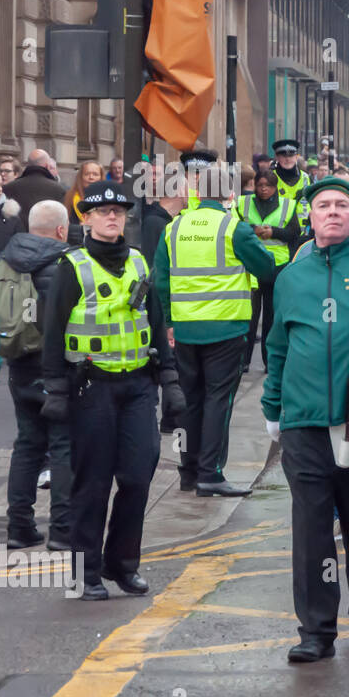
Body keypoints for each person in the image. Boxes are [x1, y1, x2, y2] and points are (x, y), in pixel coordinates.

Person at [262, 177, 349, 663]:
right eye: (324, 205)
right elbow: (277, 345)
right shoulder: (290, 277)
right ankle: (316, 630)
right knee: (312, 529)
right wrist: (272, 407)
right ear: (311, 216)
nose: (334, 212)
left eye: (344, 204)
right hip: (304, 422)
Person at [41, 180, 186, 599]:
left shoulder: (141, 262)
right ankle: (84, 571)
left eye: (119, 213)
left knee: (139, 477)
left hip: (138, 384)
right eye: (103, 213)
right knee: (93, 482)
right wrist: (55, 390)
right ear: (85, 219)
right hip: (91, 387)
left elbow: (157, 326)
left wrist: (171, 381)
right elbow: (52, 333)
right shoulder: (72, 266)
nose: (111, 218)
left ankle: (121, 564)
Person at [155, 150, 275, 496]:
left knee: (189, 401)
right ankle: (211, 472)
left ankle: (188, 471)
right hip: (226, 328)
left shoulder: (173, 228)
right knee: (217, 401)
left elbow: (161, 280)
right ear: (228, 194)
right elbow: (266, 269)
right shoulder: (232, 227)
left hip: (187, 328)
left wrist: (172, 321)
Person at [1, 201, 71, 549]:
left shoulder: (5, 259)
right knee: (62, 445)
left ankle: (19, 528)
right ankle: (61, 530)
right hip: (54, 367)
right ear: (61, 230)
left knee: (27, 446)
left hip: (18, 364)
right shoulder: (65, 261)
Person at [237, 169, 301, 373]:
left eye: (268, 185)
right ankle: (244, 361)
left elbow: (294, 234)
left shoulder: (288, 206)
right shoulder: (242, 203)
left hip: (276, 267)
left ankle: (269, 362)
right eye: (260, 185)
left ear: (275, 188)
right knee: (250, 316)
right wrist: (253, 230)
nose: (264, 189)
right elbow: (234, 226)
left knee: (271, 319)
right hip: (252, 264)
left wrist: (273, 232)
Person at [6, 150, 64, 227]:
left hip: (16, 236)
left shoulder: (8, 188)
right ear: (47, 165)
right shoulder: (59, 189)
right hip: (46, 236)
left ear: (28, 164)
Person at [271, 139, 312, 234]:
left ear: (297, 157)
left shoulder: (306, 178)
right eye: (283, 155)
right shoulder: (270, 177)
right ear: (277, 157)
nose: (287, 159)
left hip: (303, 233)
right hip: (279, 232)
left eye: (291, 155)